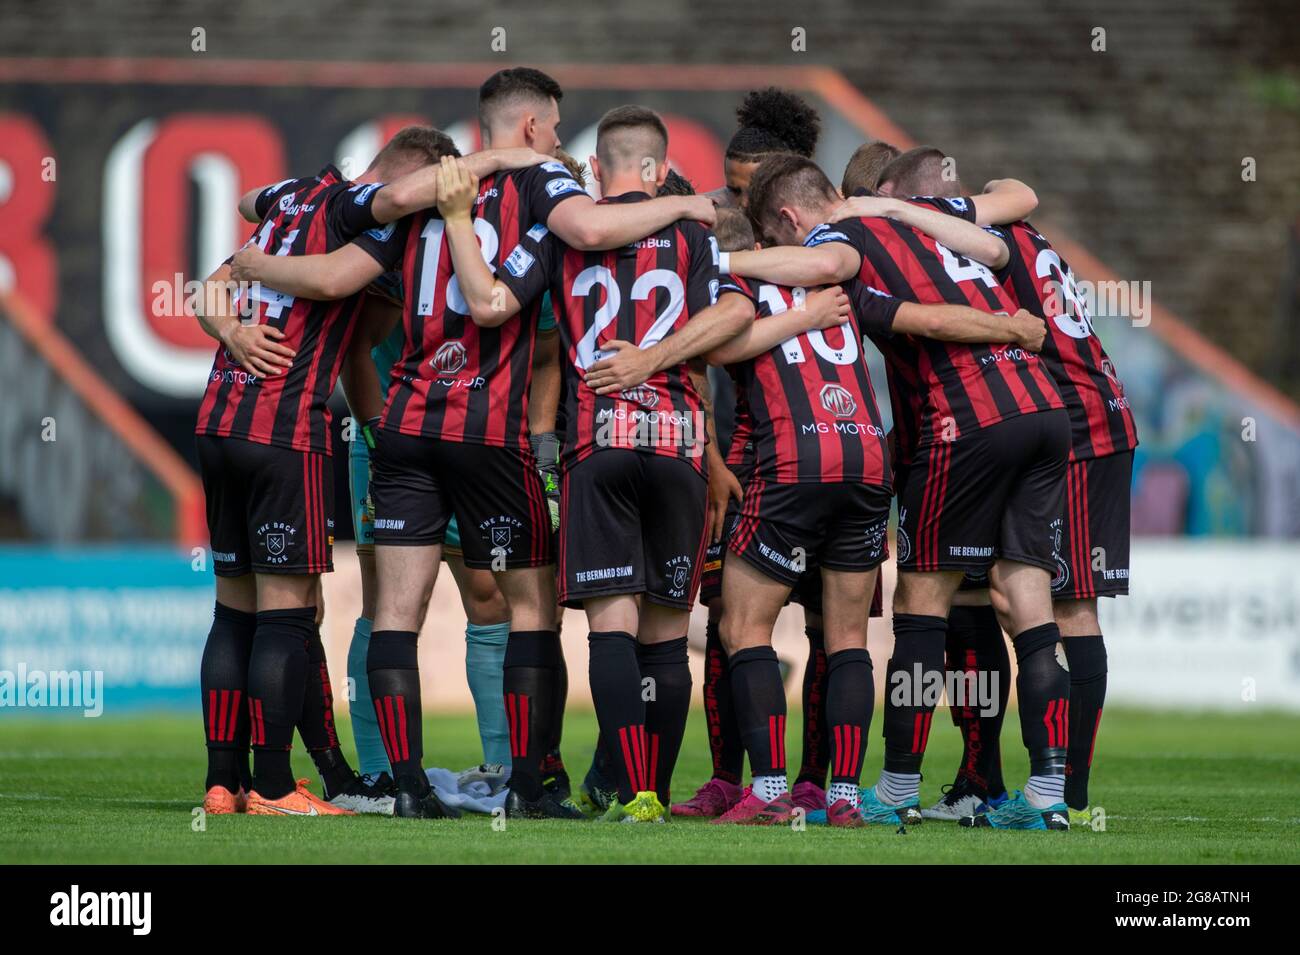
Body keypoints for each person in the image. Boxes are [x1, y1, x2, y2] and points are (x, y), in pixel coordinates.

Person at [727, 153, 1075, 830]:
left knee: (922, 600)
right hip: (1043, 408)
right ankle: (1048, 792)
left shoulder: (838, 233)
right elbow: (1001, 243)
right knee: (1024, 597)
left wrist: (725, 266)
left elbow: (844, 277)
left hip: (969, 418)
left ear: (793, 220)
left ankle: (893, 787)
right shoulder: (928, 216)